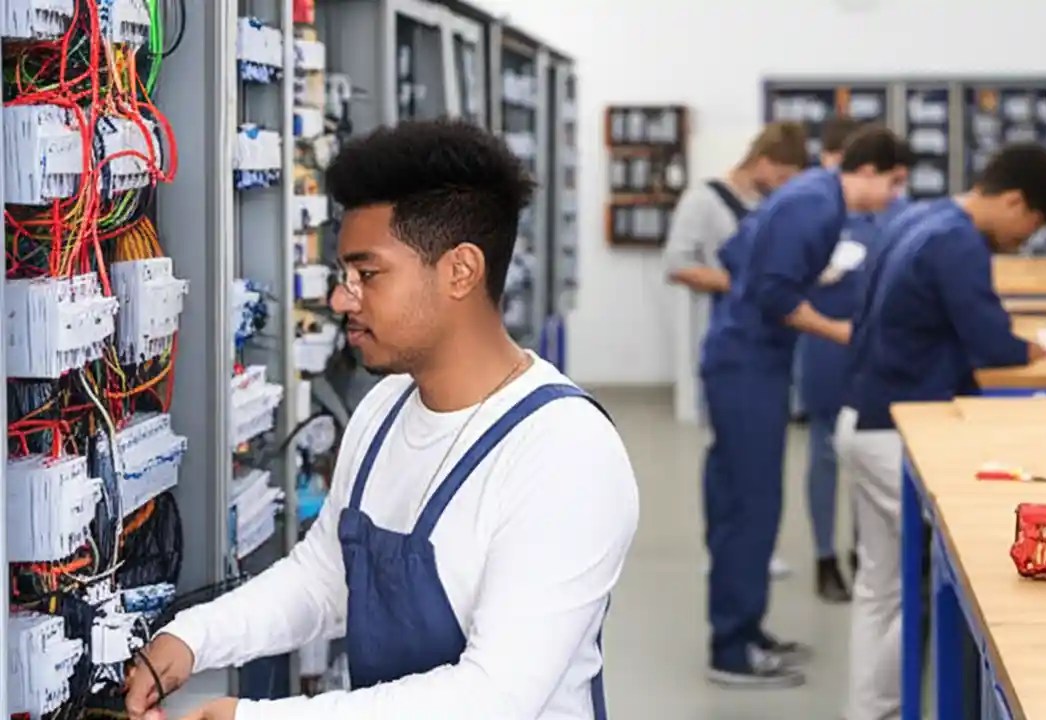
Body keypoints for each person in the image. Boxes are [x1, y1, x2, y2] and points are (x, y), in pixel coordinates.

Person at [124, 120, 639, 720]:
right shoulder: (384, 410)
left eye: (367, 275)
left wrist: (255, 718)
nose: (341, 299)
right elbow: (325, 579)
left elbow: (494, 697)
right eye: (344, 277)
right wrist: (192, 638)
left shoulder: (565, 452)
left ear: (461, 271)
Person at [838, 143, 1046, 720]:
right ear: (1014, 201)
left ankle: (868, 711)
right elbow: (992, 344)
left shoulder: (920, 217)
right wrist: (1038, 349)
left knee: (879, 587)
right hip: (899, 431)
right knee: (922, 588)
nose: (1025, 238)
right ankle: (885, 707)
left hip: (863, 413)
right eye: (1032, 223)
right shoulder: (958, 241)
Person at [700, 125, 912, 689]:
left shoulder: (811, 196)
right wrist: (842, 332)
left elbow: (737, 254)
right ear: (866, 171)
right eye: (892, 183)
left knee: (745, 500)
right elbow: (774, 294)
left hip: (747, 357)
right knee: (751, 504)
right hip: (747, 364)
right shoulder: (816, 206)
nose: (894, 197)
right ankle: (731, 650)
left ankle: (746, 629)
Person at [663, 121, 809, 580]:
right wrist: (744, 284)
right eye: (781, 176)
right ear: (762, 162)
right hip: (725, 343)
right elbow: (677, 264)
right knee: (728, 458)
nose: (783, 186)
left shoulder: (769, 206)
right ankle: (725, 548)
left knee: (758, 463)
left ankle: (754, 549)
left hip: (767, 346)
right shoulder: (704, 200)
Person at [796, 117, 911, 604]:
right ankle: (825, 557)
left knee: (874, 453)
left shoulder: (897, 209)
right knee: (824, 451)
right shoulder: (816, 209)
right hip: (825, 343)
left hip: (876, 347)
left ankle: (867, 551)